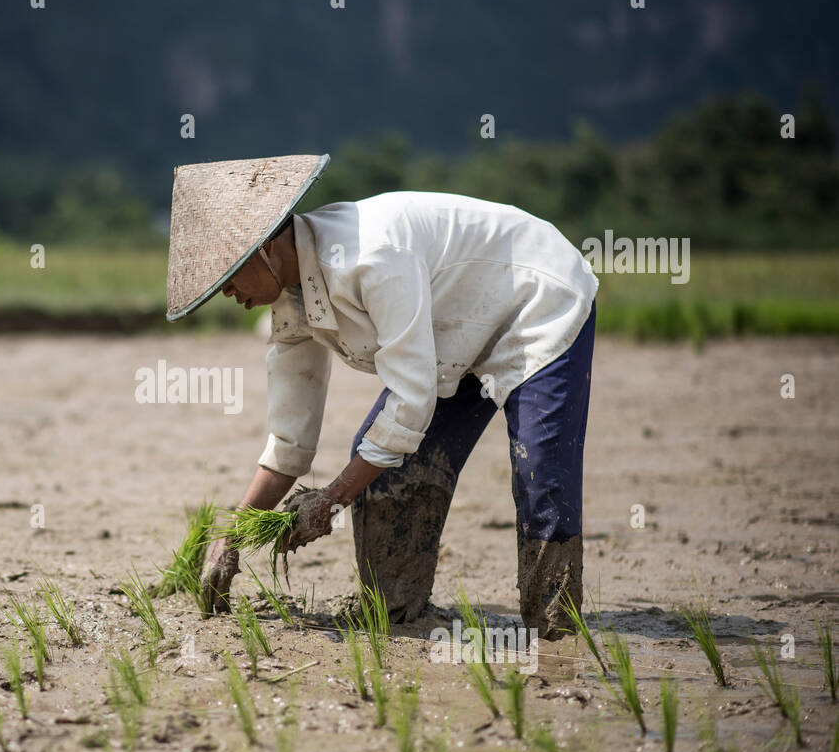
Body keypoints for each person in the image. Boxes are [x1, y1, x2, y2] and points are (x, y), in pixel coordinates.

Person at [165, 154, 598, 639]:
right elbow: (291, 440)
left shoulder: (369, 256)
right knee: (384, 463)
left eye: (228, 278)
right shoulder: (290, 303)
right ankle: (395, 613)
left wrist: (330, 501)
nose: (227, 293)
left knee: (540, 470)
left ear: (265, 248)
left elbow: (410, 403)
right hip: (449, 333)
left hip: (535, 296)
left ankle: (555, 631)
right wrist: (234, 534)